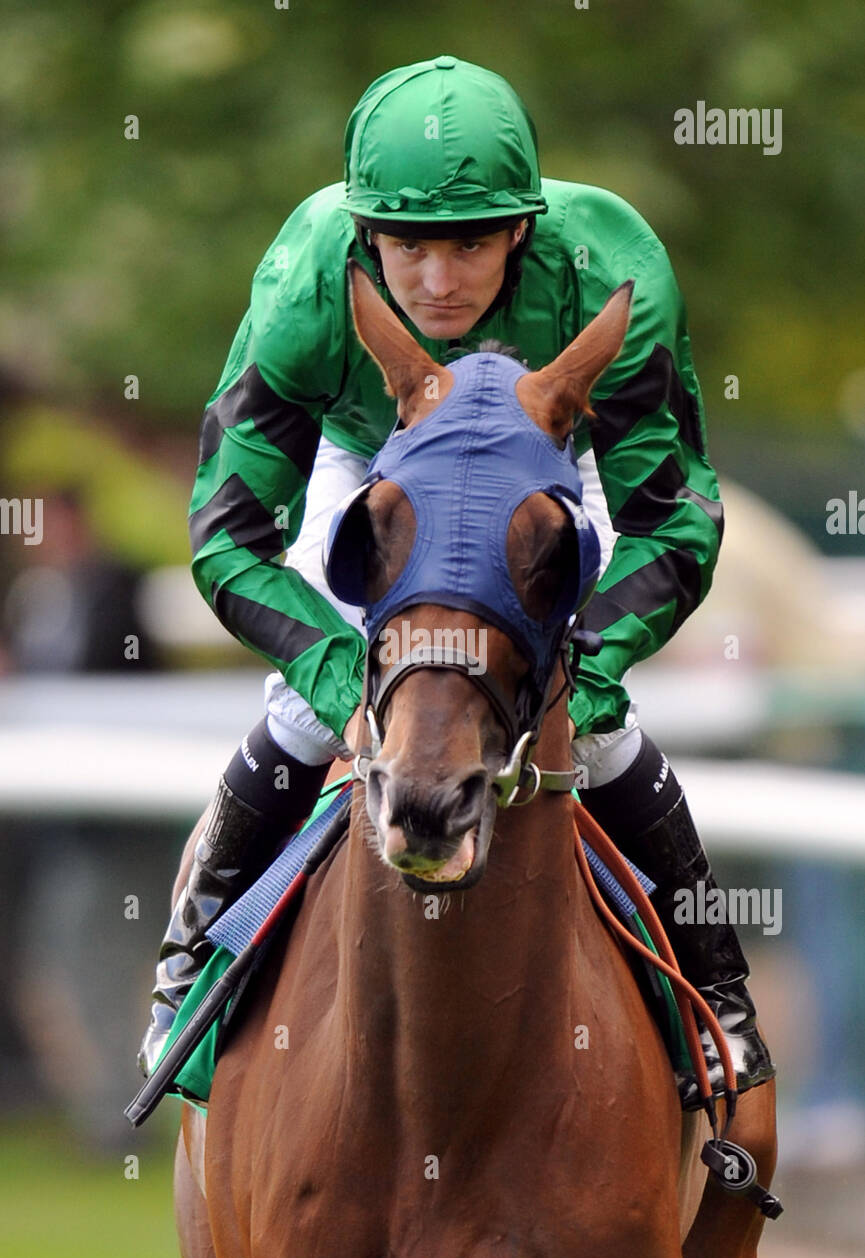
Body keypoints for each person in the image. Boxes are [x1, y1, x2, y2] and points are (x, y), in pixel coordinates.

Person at [138, 55, 774, 1109]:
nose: (437, 281)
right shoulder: (306, 279)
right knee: (303, 709)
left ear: (522, 229)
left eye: (470, 243)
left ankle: (718, 998)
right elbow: (229, 535)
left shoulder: (610, 267)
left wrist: (585, 666)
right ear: (363, 236)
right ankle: (186, 962)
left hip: (548, 460)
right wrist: (336, 672)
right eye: (408, 246)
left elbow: (673, 518)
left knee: (594, 730)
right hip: (373, 459)